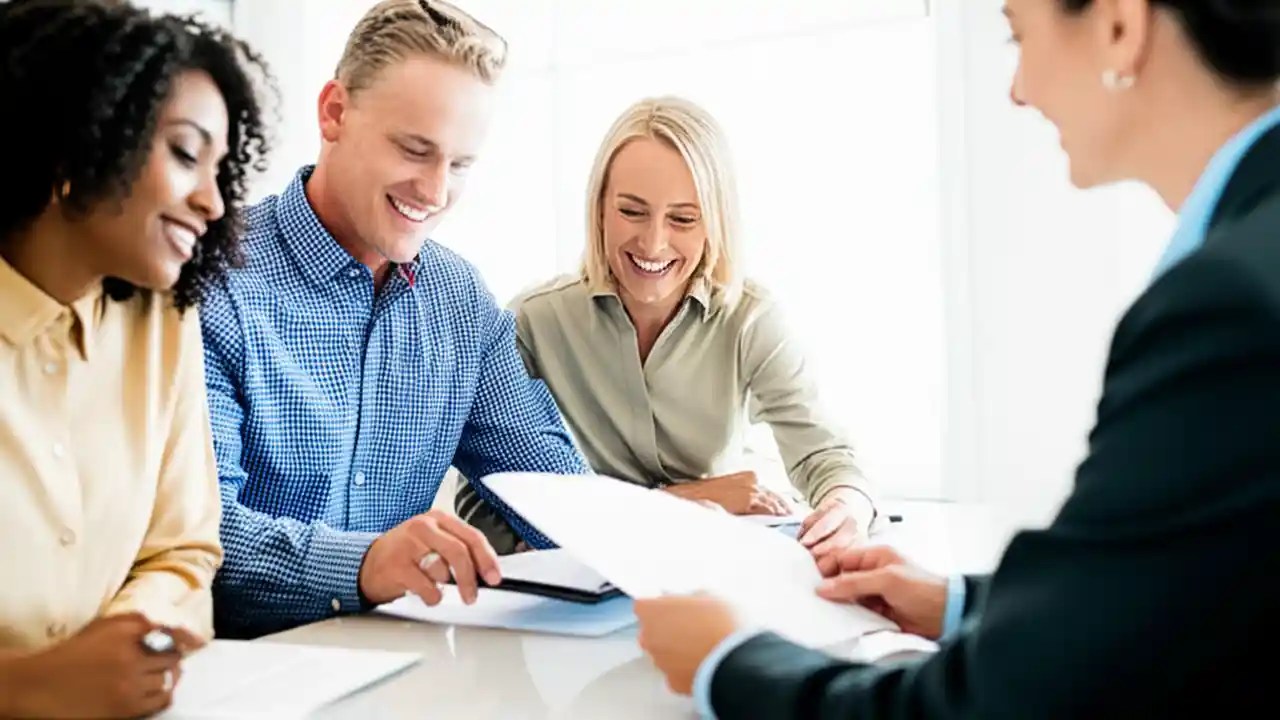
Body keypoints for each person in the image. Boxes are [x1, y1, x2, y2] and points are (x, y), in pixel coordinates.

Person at [634, 0, 1280, 717]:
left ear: (1120, 27)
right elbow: (1180, 587)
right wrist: (963, 604)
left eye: (1017, 34)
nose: (1018, 90)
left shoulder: (1227, 305)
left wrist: (729, 663)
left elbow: (987, 707)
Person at [203, 0, 590, 639]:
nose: (435, 192)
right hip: (238, 668)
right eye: (414, 149)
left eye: (459, 165)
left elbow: (557, 496)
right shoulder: (213, 281)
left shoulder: (460, 302)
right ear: (334, 113)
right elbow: (198, 536)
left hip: (405, 663)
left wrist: (671, 540)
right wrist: (366, 564)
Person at [0, 1, 273, 716]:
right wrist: (30, 684)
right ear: (75, 140)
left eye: (220, 168)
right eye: (185, 153)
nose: (213, 202)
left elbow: (182, 552)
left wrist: (130, 645)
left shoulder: (164, 321)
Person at [457, 96, 878, 559]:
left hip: (714, 572)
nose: (654, 243)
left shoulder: (750, 320)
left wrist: (846, 510)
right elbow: (483, 511)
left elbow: (826, 457)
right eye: (632, 212)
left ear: (714, 222)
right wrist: (679, 503)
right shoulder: (534, 324)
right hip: (580, 583)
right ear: (599, 209)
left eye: (682, 219)